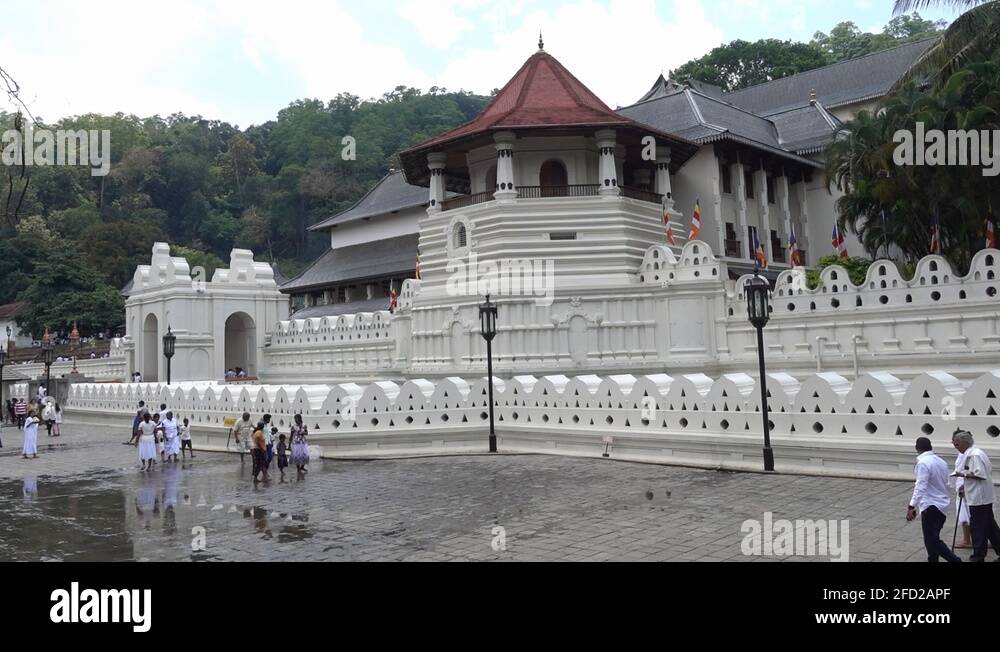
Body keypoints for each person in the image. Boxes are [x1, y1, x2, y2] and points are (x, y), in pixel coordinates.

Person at [907, 437, 961, 563]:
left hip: (930, 504)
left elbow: (920, 486)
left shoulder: (923, 463)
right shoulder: (941, 461)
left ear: (916, 448)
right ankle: (932, 559)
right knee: (931, 537)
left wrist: (911, 505)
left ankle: (954, 560)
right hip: (942, 504)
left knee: (932, 539)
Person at [952, 430, 1000, 562]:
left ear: (965, 442)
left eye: (957, 443)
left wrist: (962, 474)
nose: (955, 446)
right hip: (981, 495)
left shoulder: (974, 455)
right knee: (990, 527)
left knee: (978, 527)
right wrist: (964, 485)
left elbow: (980, 474)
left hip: (979, 498)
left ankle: (978, 556)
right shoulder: (974, 453)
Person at [952, 435, 973, 549]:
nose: (955, 445)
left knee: (966, 514)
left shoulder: (970, 455)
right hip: (962, 485)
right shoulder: (962, 453)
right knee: (964, 513)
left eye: (957, 443)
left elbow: (968, 472)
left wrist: (963, 486)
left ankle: (967, 540)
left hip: (966, 487)